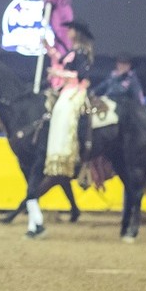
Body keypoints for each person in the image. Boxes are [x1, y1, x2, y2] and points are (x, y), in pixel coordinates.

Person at [44, 20, 95, 178]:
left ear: (77, 33)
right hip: (66, 88)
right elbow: (61, 61)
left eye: (71, 29)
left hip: (76, 89)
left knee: (64, 110)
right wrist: (49, 48)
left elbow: (80, 75)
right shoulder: (73, 52)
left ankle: (66, 151)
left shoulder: (81, 52)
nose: (68, 32)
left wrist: (58, 74)